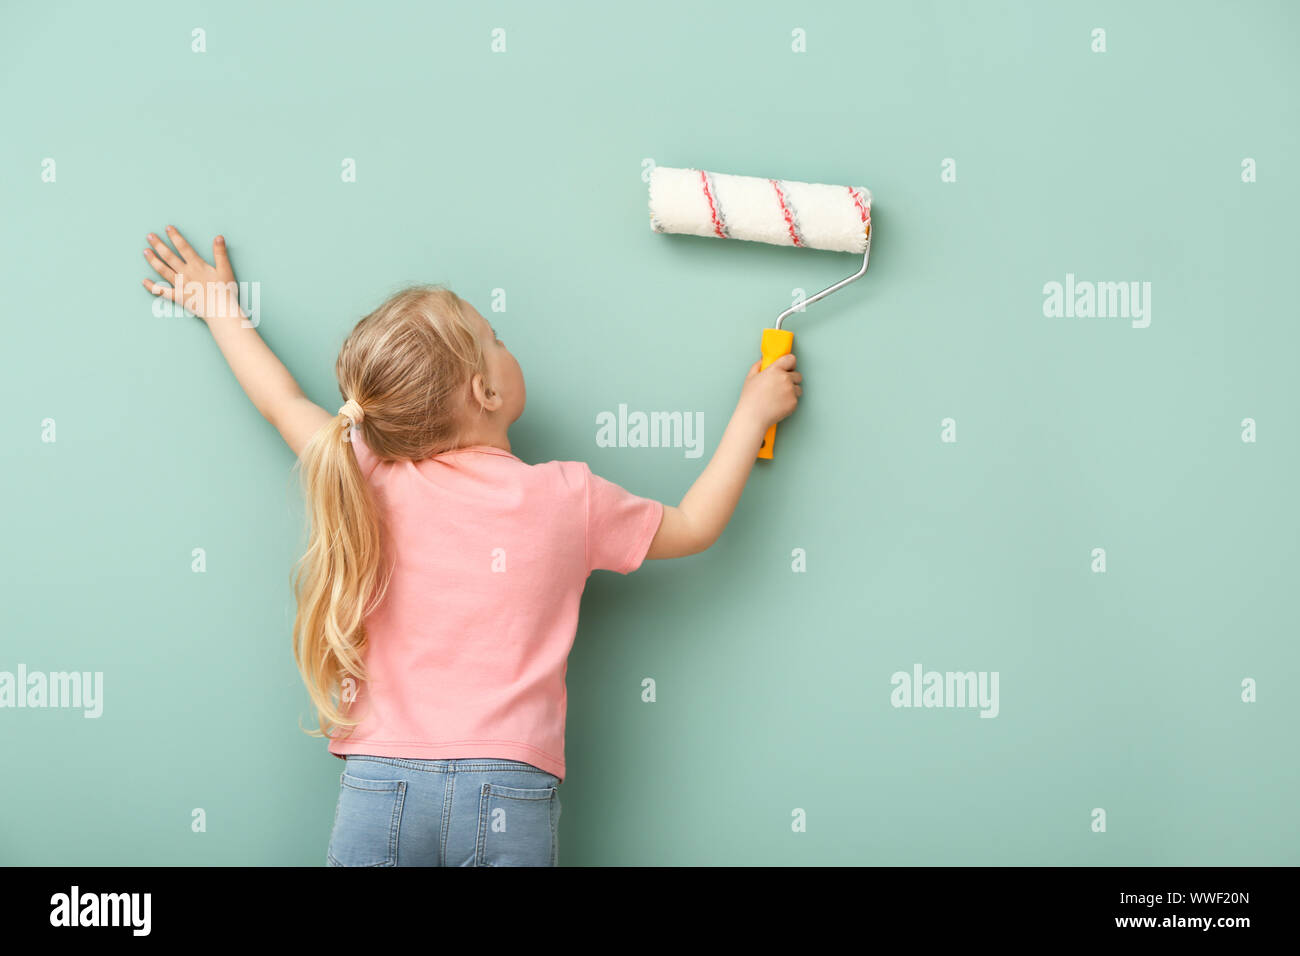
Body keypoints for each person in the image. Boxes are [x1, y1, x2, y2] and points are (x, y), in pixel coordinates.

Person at [141, 225, 801, 865]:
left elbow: (281, 402)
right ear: (485, 391)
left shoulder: (363, 472)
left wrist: (218, 308)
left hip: (380, 781)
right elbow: (693, 523)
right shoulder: (569, 498)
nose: (505, 343)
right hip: (508, 789)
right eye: (496, 338)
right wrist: (751, 415)